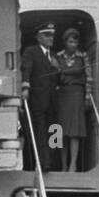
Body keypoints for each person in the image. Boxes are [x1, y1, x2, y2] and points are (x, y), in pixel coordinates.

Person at [20, 22, 61, 172]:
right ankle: (43, 163)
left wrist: (59, 69)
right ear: (39, 37)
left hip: (53, 101)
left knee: (54, 131)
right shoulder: (31, 51)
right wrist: (25, 87)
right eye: (47, 35)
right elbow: (26, 69)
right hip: (38, 99)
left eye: (52, 35)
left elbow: (58, 79)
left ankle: (53, 162)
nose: (51, 38)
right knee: (40, 131)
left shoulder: (54, 56)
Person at [53, 28, 93, 172]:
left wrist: (87, 96)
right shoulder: (57, 57)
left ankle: (73, 164)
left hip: (77, 93)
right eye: (70, 42)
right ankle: (62, 164)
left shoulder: (83, 57)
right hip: (62, 94)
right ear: (65, 43)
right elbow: (55, 76)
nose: (73, 44)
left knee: (75, 131)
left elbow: (89, 77)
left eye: (75, 42)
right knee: (60, 131)